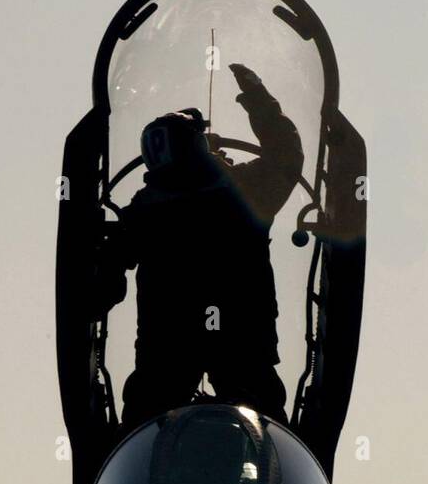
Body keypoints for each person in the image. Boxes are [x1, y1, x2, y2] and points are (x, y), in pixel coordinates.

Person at [99, 64, 304, 429]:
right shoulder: (245, 194)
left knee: (141, 431)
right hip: (243, 348)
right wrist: (258, 99)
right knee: (270, 437)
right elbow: (287, 156)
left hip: (165, 354)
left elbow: (103, 281)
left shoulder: (145, 211)